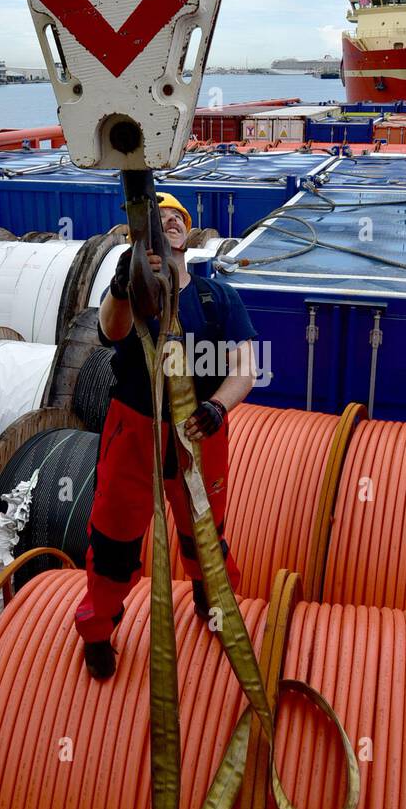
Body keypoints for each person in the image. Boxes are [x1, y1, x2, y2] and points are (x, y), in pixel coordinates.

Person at [75, 192, 259, 679]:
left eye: (174, 218)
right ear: (143, 239)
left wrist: (219, 406)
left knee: (204, 530)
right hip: (134, 427)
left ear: (186, 230)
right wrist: (120, 282)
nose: (167, 224)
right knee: (114, 536)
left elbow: (245, 366)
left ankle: (212, 603)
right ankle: (98, 629)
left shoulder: (217, 297)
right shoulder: (131, 295)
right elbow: (111, 332)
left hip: (198, 429)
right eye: (155, 221)